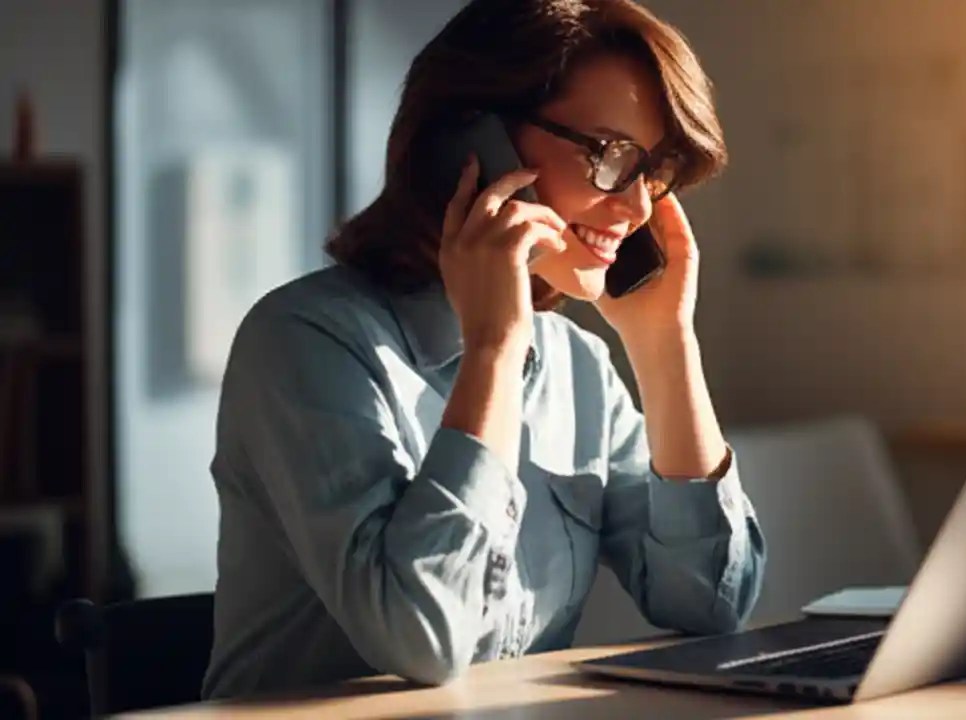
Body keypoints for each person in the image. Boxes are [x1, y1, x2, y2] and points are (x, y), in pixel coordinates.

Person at [202, 0, 765, 699]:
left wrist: (663, 343)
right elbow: (421, 636)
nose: (638, 208)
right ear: (475, 144)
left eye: (653, 172)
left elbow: (709, 602)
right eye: (612, 156)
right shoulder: (304, 343)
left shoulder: (576, 367)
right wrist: (493, 349)